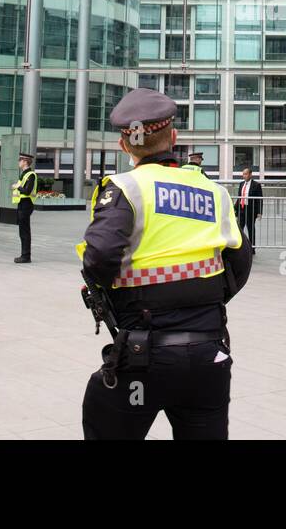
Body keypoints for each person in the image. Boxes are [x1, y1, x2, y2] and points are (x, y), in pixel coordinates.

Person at [78, 88, 251, 440]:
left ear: (124, 145)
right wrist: (200, 302)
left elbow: (98, 258)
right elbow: (239, 261)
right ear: (173, 137)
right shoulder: (214, 192)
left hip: (143, 355)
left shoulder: (124, 187)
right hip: (208, 353)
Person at [11, 152, 37, 264]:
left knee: (25, 231)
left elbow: (27, 191)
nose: (18, 162)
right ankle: (24, 255)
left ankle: (26, 256)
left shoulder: (31, 175)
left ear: (25, 161)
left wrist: (17, 186)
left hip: (26, 204)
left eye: (20, 160)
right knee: (22, 231)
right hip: (22, 204)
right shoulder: (23, 174)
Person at [236, 166, 263, 256]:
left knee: (251, 229)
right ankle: (239, 248)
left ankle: (252, 248)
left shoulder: (256, 185)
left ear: (250, 174)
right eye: (243, 174)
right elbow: (239, 198)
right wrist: (234, 209)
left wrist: (259, 212)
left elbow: (260, 199)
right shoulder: (241, 184)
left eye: (246, 174)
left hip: (250, 210)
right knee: (239, 229)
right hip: (242, 209)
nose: (244, 176)